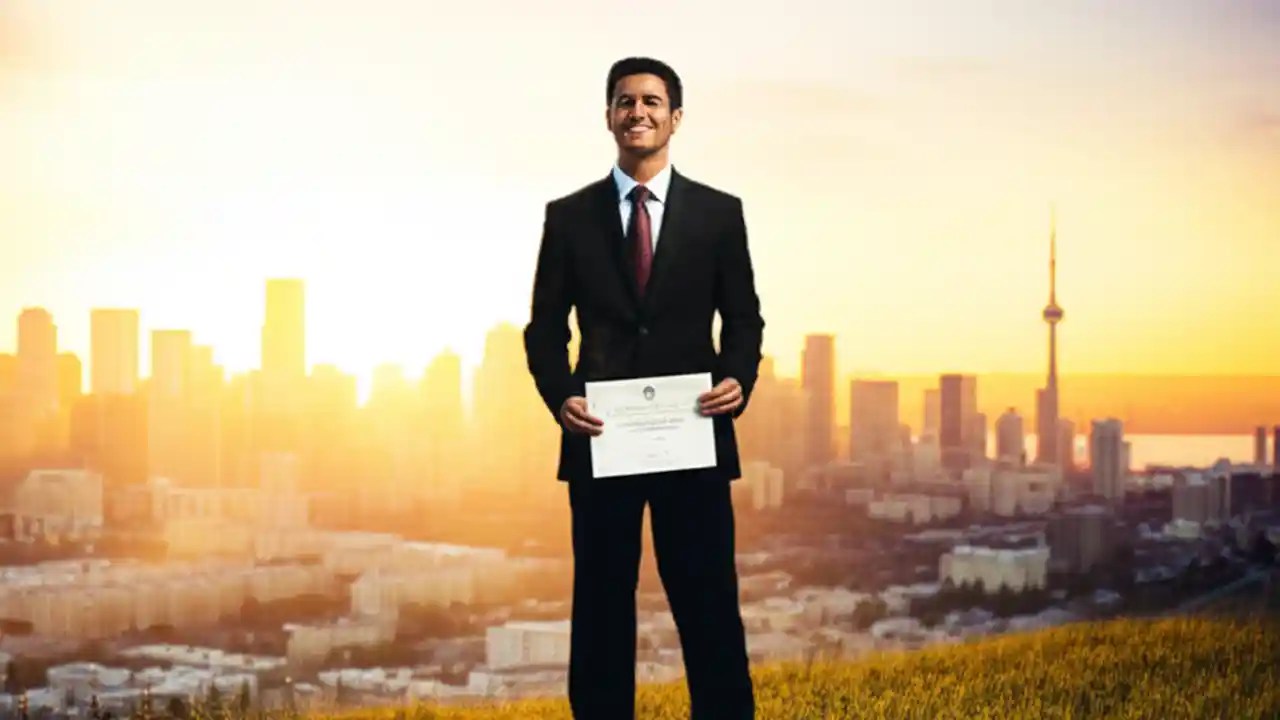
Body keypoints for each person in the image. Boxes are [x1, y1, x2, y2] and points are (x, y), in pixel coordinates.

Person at [523, 56, 764, 719]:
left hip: (693, 435)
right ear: (608, 116)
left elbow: (744, 318)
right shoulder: (568, 217)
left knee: (709, 600)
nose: (639, 112)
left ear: (675, 118)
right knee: (601, 604)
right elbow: (544, 328)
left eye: (653, 102)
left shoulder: (720, 214)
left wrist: (737, 378)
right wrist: (560, 395)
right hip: (602, 438)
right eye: (625, 101)